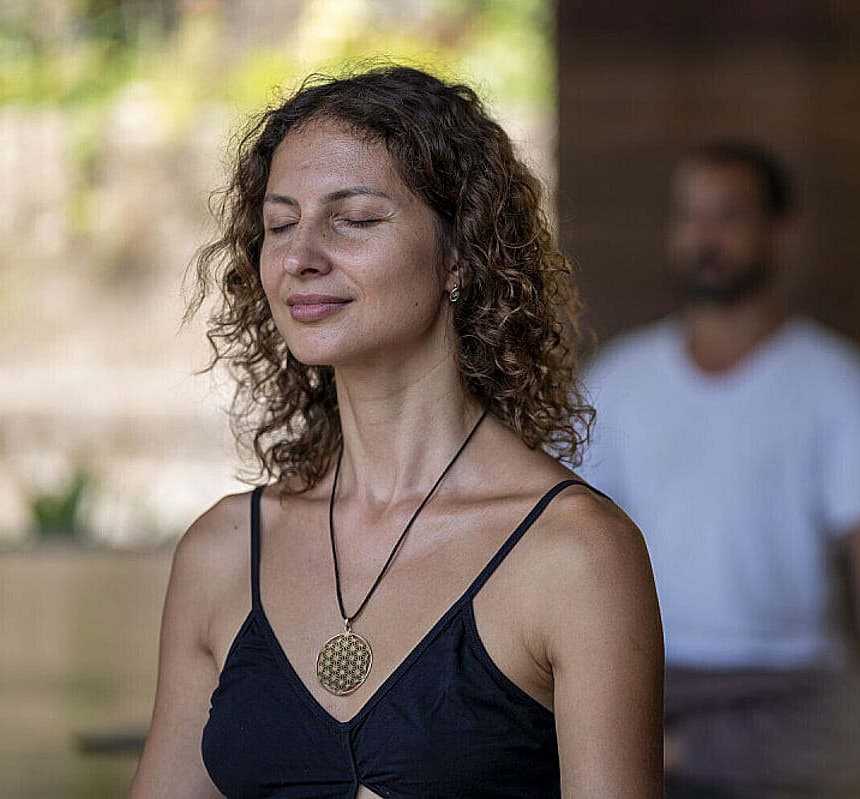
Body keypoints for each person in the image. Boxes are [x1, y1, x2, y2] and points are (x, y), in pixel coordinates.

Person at [129, 64, 663, 799]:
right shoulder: (221, 553)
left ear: (459, 255)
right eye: (280, 224)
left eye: (355, 218)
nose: (301, 256)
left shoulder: (575, 554)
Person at [579, 141, 860, 797]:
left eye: (728, 215)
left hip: (791, 677)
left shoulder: (834, 381)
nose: (704, 235)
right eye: (689, 216)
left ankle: (667, 754)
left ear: (782, 231)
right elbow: (569, 532)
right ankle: (678, 748)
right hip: (653, 669)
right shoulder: (618, 381)